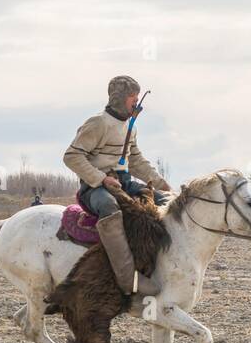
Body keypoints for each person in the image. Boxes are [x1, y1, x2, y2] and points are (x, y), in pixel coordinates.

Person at [63, 75, 173, 296]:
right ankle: (126, 277)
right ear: (120, 99)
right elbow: (72, 156)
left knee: (164, 203)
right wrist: (102, 178)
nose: (137, 103)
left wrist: (162, 185)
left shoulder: (130, 127)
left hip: (124, 183)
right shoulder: (98, 123)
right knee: (110, 206)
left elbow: (135, 161)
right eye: (133, 98)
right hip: (95, 188)